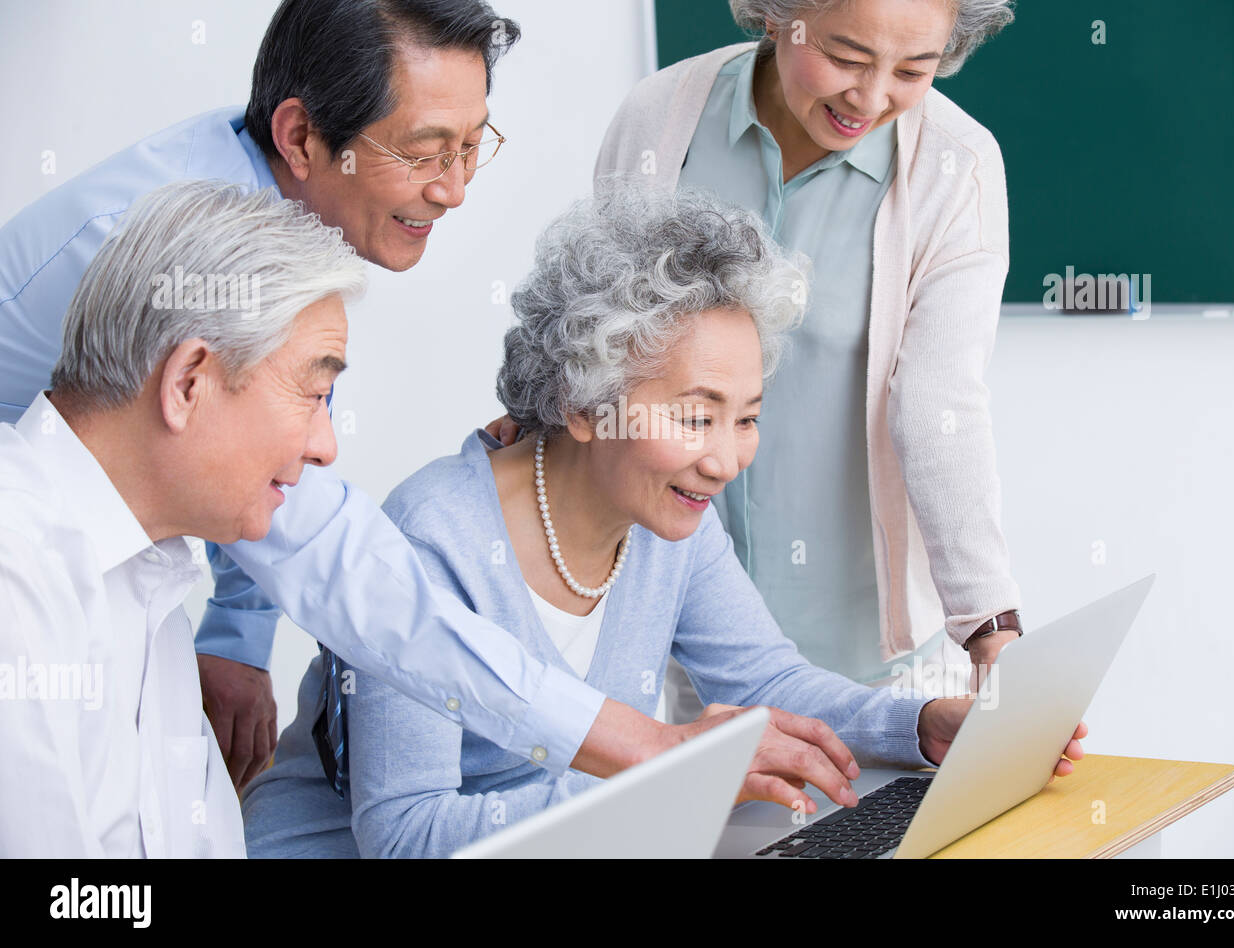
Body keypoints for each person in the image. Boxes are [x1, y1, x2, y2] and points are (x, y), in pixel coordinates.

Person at [0, 0, 853, 801]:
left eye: (473, 145)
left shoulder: (279, 226)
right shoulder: (164, 258)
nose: (453, 187)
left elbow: (267, 461)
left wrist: (234, 637)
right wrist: (642, 748)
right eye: (422, 150)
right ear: (301, 136)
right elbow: (352, 575)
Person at [241, 185, 1084, 858]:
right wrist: (668, 778)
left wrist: (921, 724)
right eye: (694, 415)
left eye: (746, 416)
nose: (723, 459)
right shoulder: (434, 534)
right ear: (581, 401)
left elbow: (766, 686)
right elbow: (406, 835)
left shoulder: (666, 515)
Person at [584, 0, 1030, 721]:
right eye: (845, 58)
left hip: (873, 656)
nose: (873, 96)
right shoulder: (660, 119)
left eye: (915, 69)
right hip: (680, 632)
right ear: (775, 12)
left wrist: (990, 627)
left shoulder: (957, 167)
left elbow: (939, 404)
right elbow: (596, 337)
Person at [0, 180, 365, 856]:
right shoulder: (15, 567)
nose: (325, 446)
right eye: (313, 395)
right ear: (188, 382)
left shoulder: (151, 578)